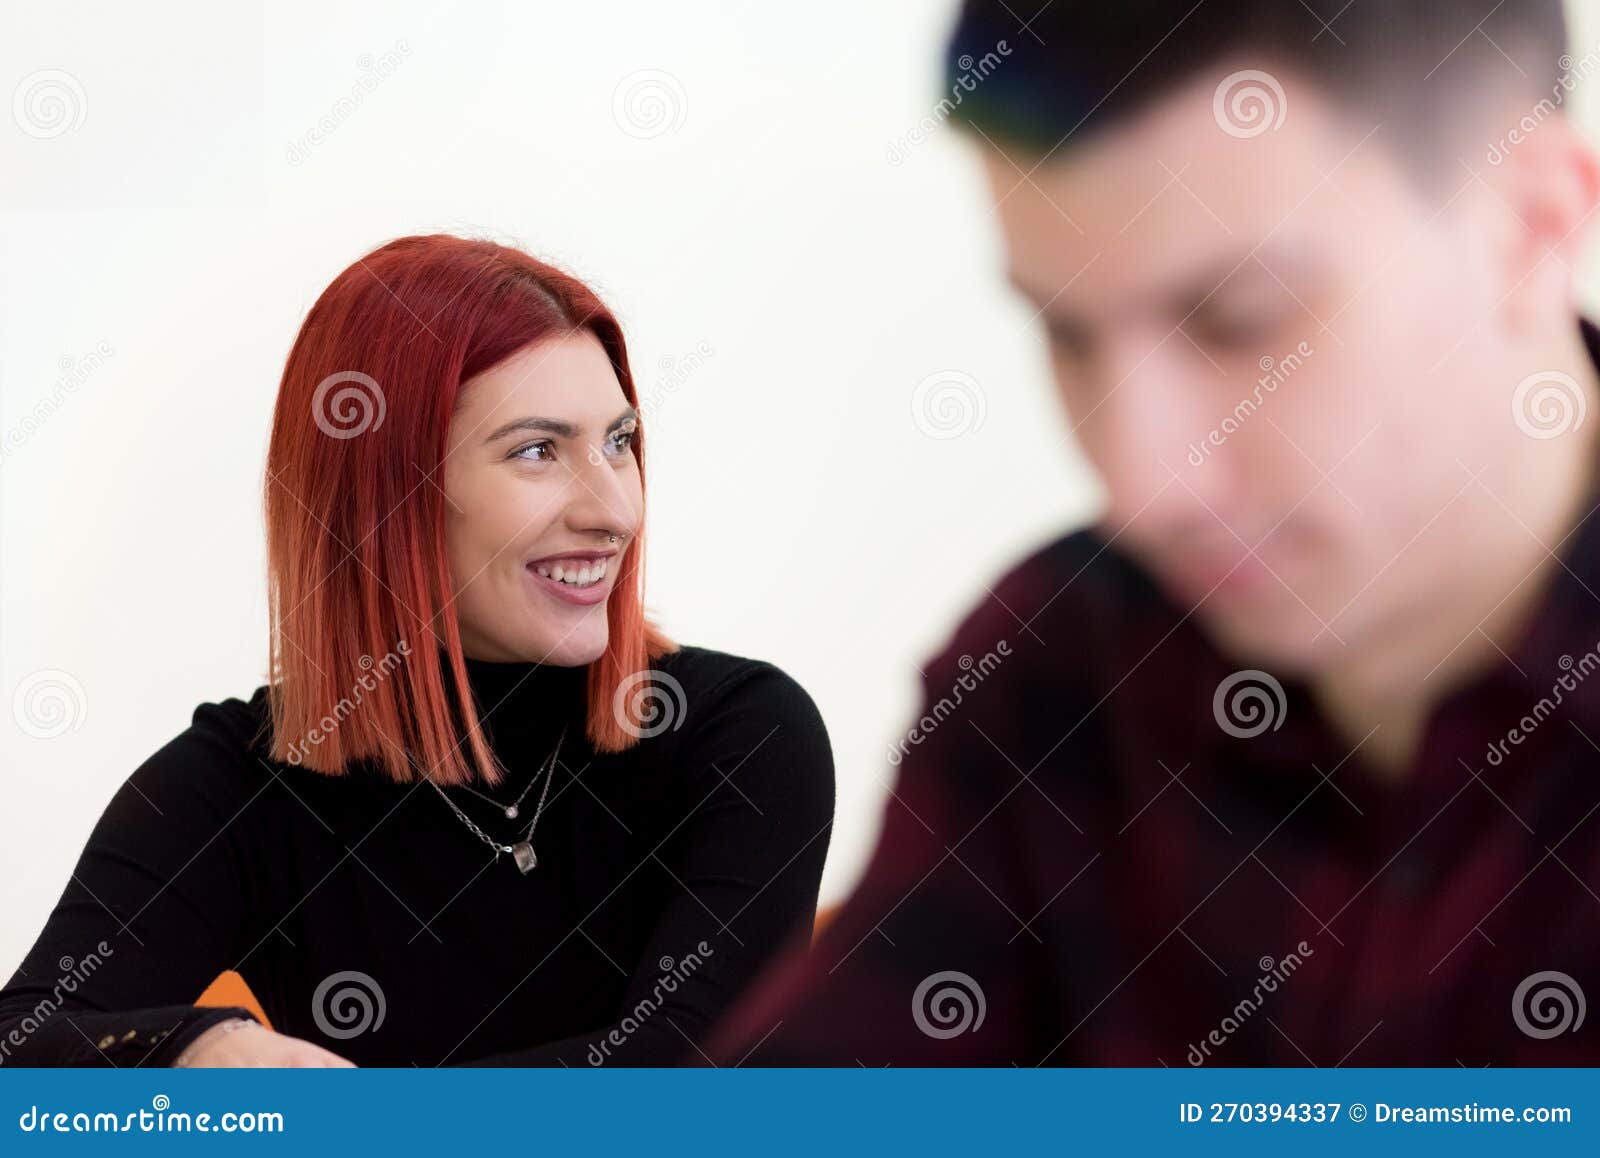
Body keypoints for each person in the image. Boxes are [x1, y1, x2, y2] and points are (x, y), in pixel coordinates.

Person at [709, 0, 1600, 1065]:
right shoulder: (1057, 655)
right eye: (1065, 331)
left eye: (1240, 320)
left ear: (1533, 223)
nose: (1141, 487)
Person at [0, 234, 834, 1067]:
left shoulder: (739, 735)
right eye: (538, 451)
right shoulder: (242, 784)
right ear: (388, 500)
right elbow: (20, 1044)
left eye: (619, 441)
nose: (615, 508)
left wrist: (361, 1118)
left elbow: (679, 1073)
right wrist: (194, 1047)